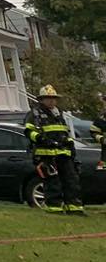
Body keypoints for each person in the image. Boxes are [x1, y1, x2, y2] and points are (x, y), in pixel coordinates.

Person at [24, 85, 82, 213]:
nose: (51, 101)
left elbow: (65, 132)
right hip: (45, 154)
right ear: (41, 99)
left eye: (53, 98)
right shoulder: (34, 114)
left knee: (71, 180)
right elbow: (28, 131)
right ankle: (54, 208)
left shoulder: (58, 114)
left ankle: (74, 207)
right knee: (52, 182)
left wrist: (70, 144)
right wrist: (40, 139)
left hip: (63, 153)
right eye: (48, 98)